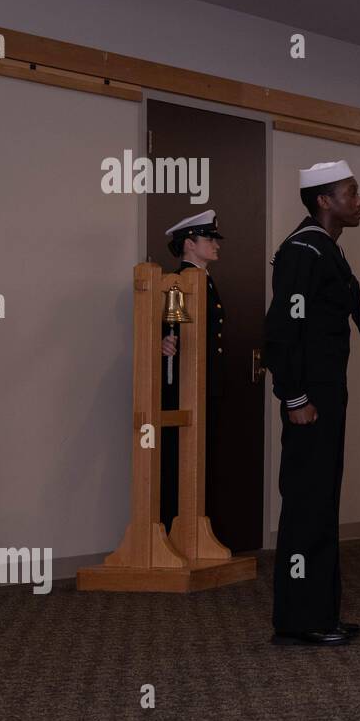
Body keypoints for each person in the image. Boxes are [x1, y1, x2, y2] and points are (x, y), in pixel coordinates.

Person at [264, 160, 360, 646]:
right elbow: (283, 331)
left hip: (327, 393)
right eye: (351, 192)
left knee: (322, 501)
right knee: (307, 503)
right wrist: (295, 395)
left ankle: (320, 611)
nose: (359, 200)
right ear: (324, 201)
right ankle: (300, 618)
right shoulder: (303, 250)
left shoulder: (323, 246)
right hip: (309, 399)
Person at [159, 209, 226, 534]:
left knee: (202, 462)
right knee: (178, 462)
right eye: (209, 238)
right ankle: (175, 529)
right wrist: (164, 344)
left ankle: (195, 532)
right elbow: (172, 329)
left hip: (203, 384)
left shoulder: (203, 282)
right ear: (189, 244)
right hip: (183, 386)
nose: (216, 245)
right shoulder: (179, 284)